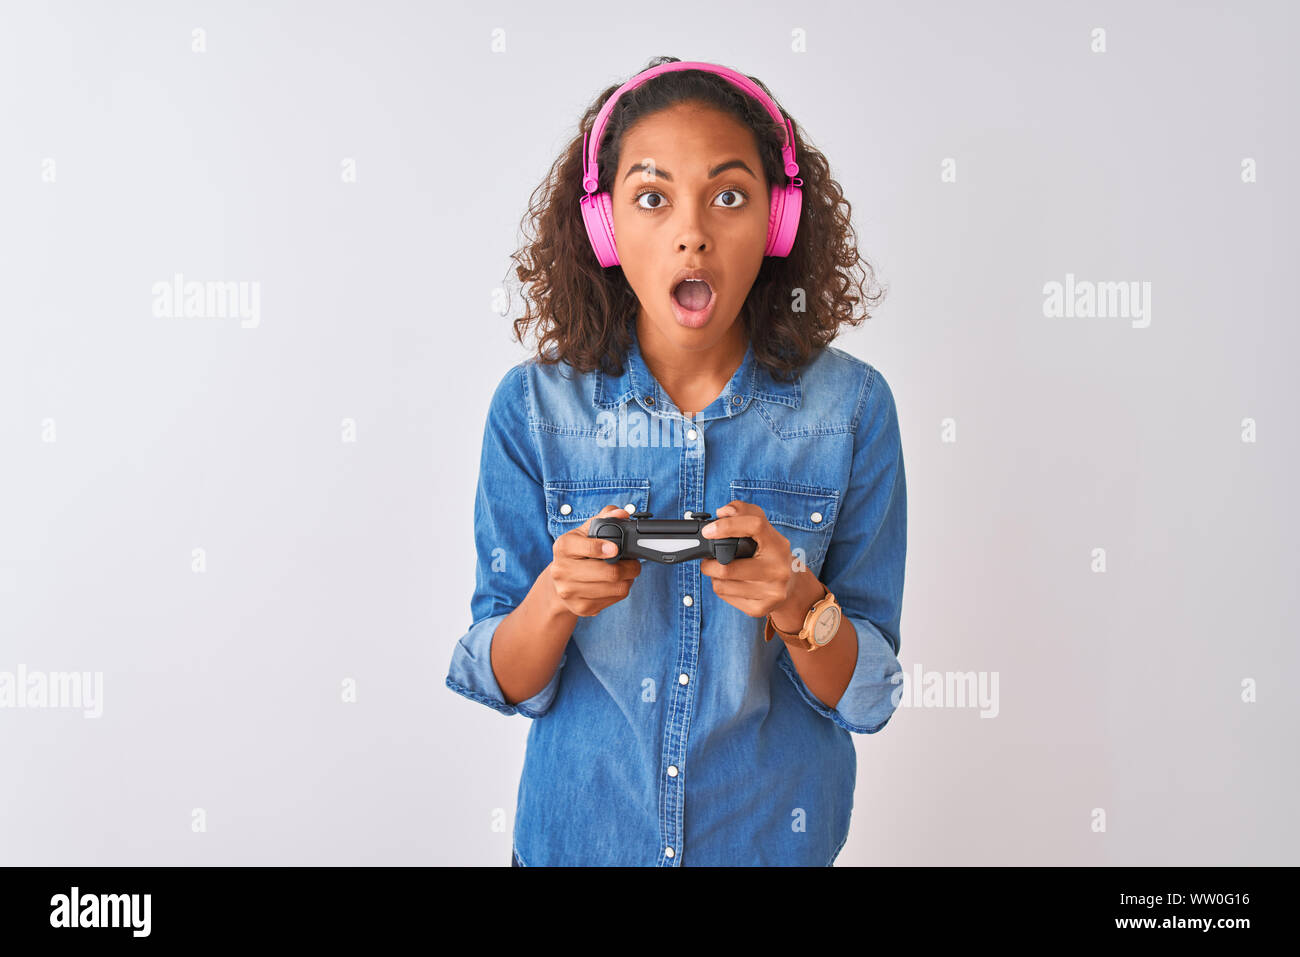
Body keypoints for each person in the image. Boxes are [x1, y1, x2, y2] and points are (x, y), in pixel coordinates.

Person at [446, 56, 906, 866]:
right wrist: (557, 595)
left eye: (729, 196)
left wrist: (798, 602)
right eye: (651, 197)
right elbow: (503, 678)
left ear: (778, 220)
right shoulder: (531, 412)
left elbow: (867, 694)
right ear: (605, 227)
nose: (692, 231)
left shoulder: (853, 411)